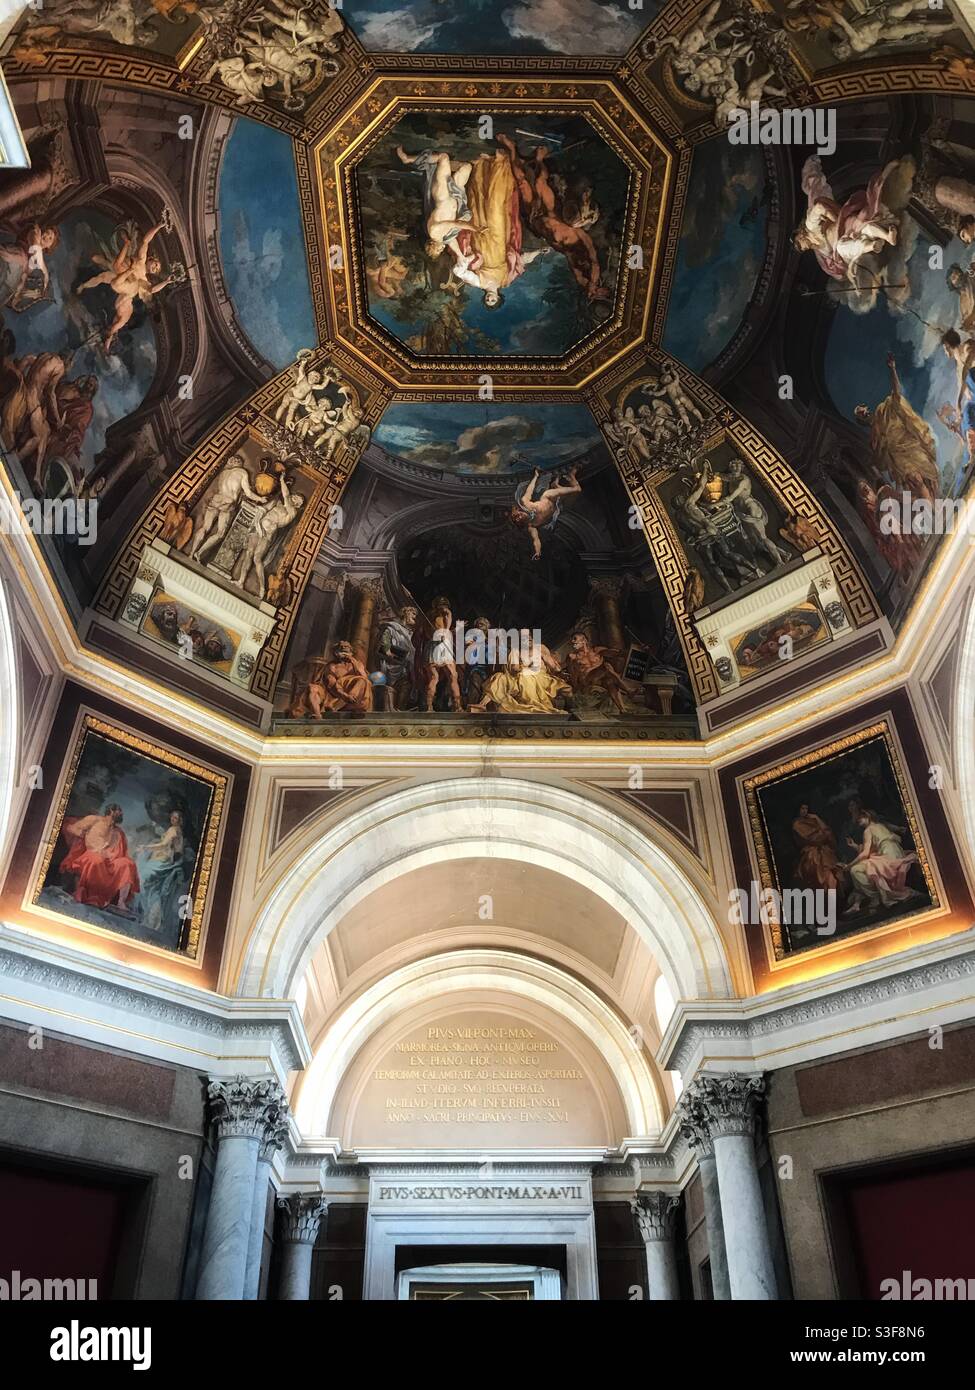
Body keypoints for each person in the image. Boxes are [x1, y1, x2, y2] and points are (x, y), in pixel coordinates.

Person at [498, 134, 611, 303]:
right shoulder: (583, 242)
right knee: (539, 183)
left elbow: (580, 277)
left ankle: (512, 148)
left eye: (596, 294)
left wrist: (589, 287)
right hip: (552, 212)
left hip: (536, 218)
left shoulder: (570, 258)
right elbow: (594, 262)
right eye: (600, 291)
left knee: (522, 184)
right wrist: (593, 281)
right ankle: (539, 160)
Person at [77, 219, 176, 352]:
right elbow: (146, 240)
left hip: (123, 288)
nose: (155, 268)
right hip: (118, 272)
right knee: (101, 272)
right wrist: (159, 225)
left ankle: (109, 339)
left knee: (121, 319)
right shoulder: (141, 260)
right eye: (156, 265)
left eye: (157, 270)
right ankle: (83, 285)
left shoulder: (144, 279)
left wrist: (167, 282)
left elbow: (152, 289)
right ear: (152, 259)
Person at [855, 353, 940, 496]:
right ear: (861, 421)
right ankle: (932, 507)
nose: (864, 413)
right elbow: (880, 462)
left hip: (911, 446)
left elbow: (896, 393)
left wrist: (893, 369)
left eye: (862, 410)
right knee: (915, 481)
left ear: (867, 408)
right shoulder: (873, 439)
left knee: (930, 475)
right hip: (899, 460)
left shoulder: (884, 408)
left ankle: (939, 501)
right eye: (860, 415)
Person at [58, 803, 141, 915]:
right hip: (91, 855)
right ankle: (86, 894)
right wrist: (79, 833)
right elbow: (72, 827)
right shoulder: (94, 820)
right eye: (119, 811)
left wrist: (110, 856)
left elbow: (122, 853)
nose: (121, 814)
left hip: (111, 861)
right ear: (111, 811)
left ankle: (121, 902)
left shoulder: (119, 832)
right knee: (96, 859)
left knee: (128, 863)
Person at [842, 809, 922, 915]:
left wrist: (849, 866)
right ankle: (867, 900)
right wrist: (855, 846)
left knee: (855, 870)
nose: (859, 823)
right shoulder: (881, 826)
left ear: (867, 816)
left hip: (888, 856)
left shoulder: (868, 830)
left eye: (860, 820)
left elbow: (866, 853)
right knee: (867, 866)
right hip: (897, 853)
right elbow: (872, 850)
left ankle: (875, 897)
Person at [509, 467, 582, 560]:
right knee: (570, 499)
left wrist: (535, 476)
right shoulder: (532, 526)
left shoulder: (526, 503)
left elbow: (529, 490)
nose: (519, 516)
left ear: (519, 511)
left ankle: (570, 476)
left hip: (549, 496)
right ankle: (556, 484)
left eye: (517, 515)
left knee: (577, 489)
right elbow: (536, 540)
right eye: (518, 519)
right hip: (556, 507)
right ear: (521, 523)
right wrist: (537, 552)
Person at [137, 811, 188, 937]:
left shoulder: (173, 830)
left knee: (143, 879)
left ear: (180, 820)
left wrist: (146, 847)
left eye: (176, 817)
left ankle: (152, 921)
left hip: (161, 861)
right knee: (154, 891)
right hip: (164, 861)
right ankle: (152, 921)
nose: (173, 819)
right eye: (172, 816)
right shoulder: (177, 831)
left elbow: (164, 845)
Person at [563, 631, 639, 714]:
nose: (572, 641)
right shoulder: (572, 656)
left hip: (600, 681)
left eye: (575, 639)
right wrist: (576, 688)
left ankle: (622, 709)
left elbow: (618, 653)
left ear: (584, 640)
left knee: (609, 682)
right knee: (606, 666)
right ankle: (628, 690)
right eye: (571, 639)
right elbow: (572, 674)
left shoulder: (597, 650)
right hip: (587, 680)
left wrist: (638, 650)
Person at [791, 804, 846, 894]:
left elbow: (828, 833)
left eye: (806, 808)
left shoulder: (813, 819)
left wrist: (817, 818)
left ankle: (836, 901)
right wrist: (824, 833)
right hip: (812, 854)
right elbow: (816, 838)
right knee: (825, 877)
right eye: (802, 808)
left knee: (835, 876)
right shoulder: (797, 824)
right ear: (798, 809)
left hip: (825, 851)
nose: (804, 810)